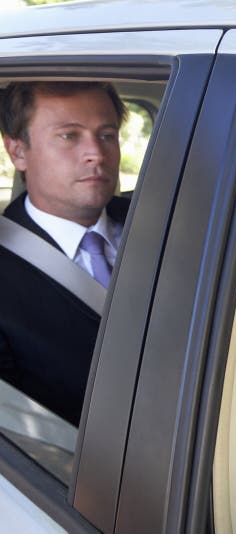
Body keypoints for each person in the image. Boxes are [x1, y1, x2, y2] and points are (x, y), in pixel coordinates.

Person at [0, 81, 129, 426]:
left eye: (106, 135)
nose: (96, 154)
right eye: (69, 136)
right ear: (17, 152)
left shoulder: (169, 225)